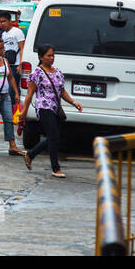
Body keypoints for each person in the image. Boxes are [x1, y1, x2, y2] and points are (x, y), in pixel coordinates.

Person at [22, 44, 83, 177]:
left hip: (55, 108)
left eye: (53, 55)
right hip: (43, 107)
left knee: (53, 137)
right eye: (48, 55)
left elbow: (62, 92)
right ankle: (56, 169)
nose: (51, 58)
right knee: (54, 137)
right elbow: (29, 94)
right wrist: (24, 111)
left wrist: (74, 103)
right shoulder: (36, 73)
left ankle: (31, 154)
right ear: (41, 57)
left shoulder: (58, 72)